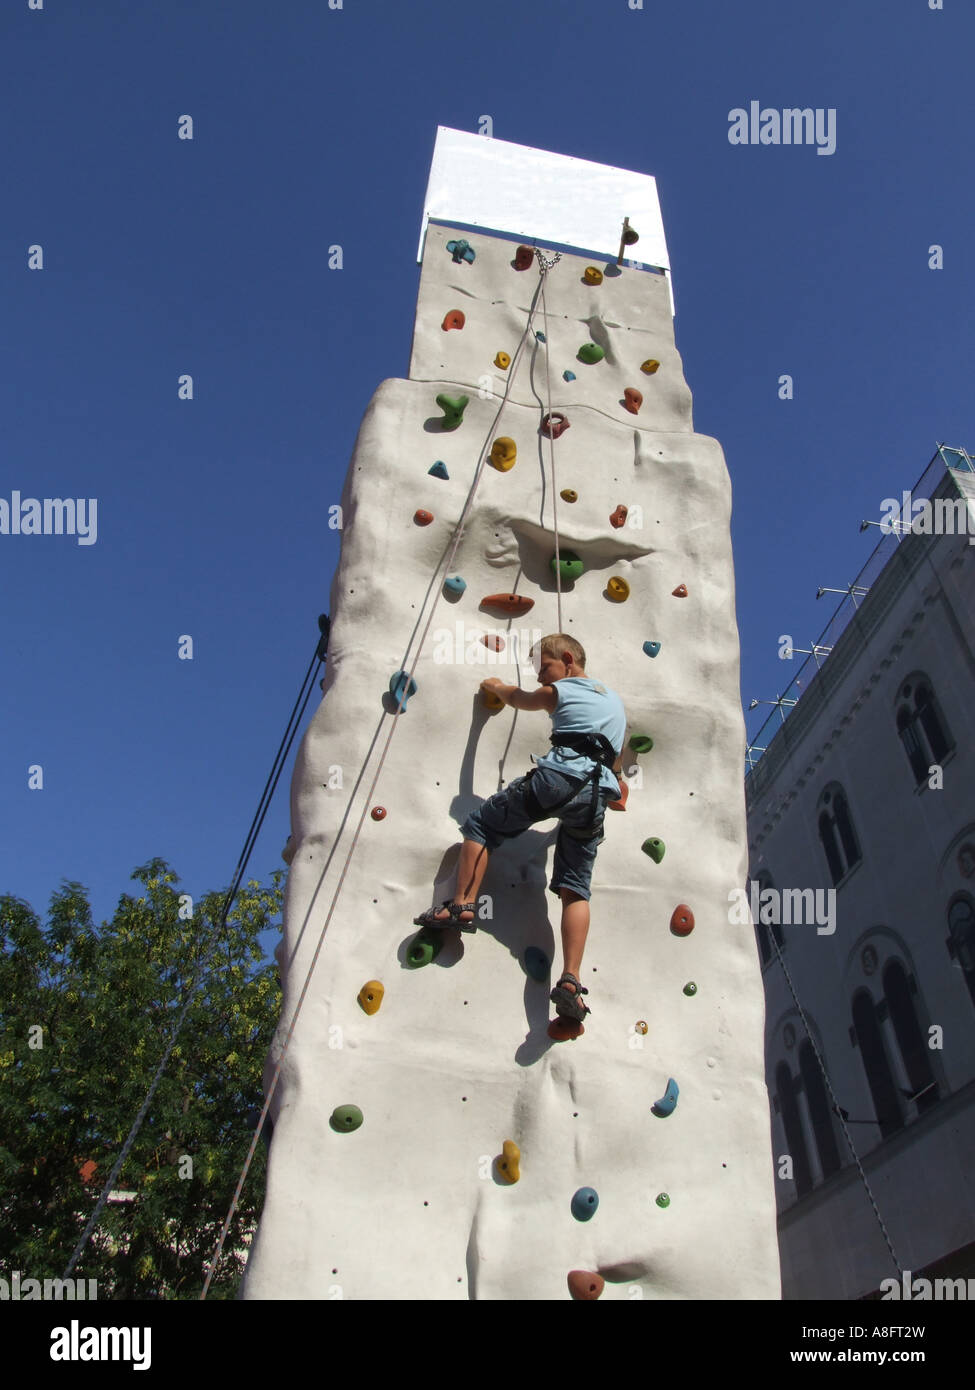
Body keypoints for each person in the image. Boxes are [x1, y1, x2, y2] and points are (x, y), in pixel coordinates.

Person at [413, 634, 626, 1023]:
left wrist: (496, 687)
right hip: (595, 797)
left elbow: (520, 699)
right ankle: (571, 981)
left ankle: (460, 905)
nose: (542, 675)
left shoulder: (560, 689)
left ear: (567, 659)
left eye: (545, 666)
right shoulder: (614, 702)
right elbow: (614, 766)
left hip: (558, 779)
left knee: (480, 823)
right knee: (575, 887)